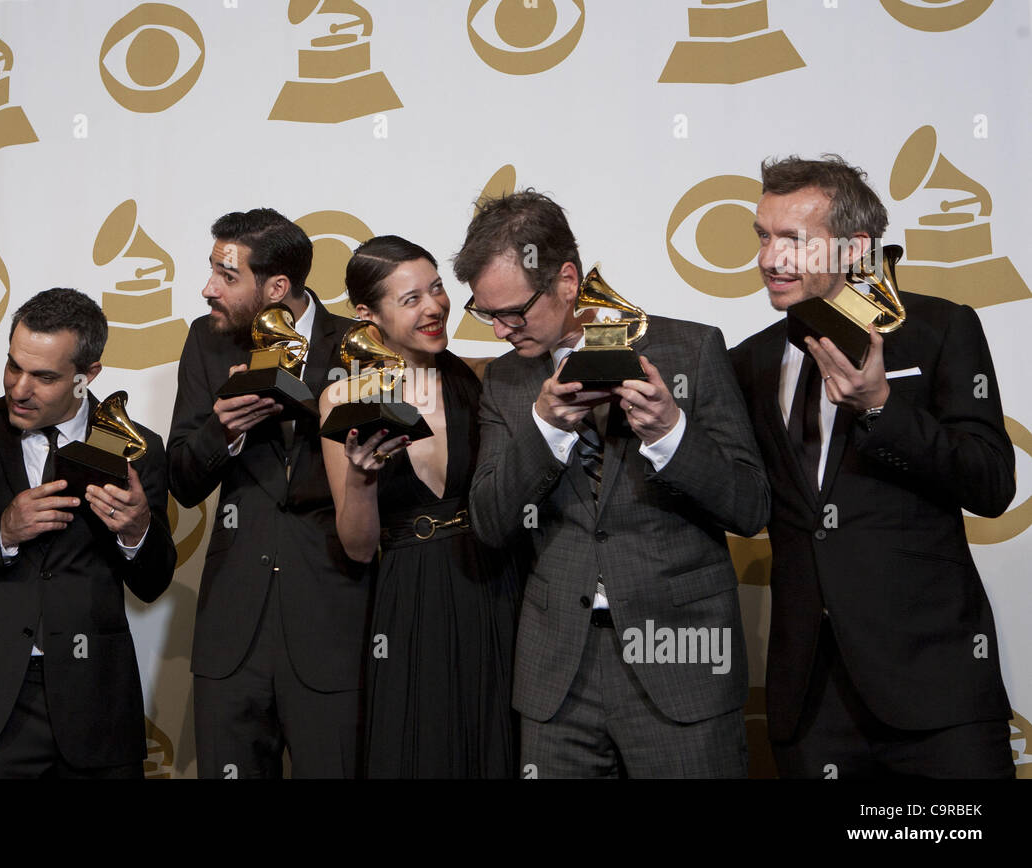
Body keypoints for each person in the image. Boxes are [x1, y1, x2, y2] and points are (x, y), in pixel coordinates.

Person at [458, 190, 768, 778]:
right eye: (485, 313)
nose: (500, 330)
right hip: (559, 674)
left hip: (683, 661)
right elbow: (491, 521)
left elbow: (750, 507)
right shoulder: (506, 381)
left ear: (568, 280)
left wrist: (672, 433)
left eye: (514, 312)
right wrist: (545, 428)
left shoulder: (691, 349)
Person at [730, 155, 1016, 778]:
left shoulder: (940, 329)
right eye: (763, 236)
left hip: (935, 688)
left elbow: (992, 483)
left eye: (794, 240)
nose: (770, 259)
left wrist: (881, 407)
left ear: (855, 249)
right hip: (810, 699)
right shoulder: (746, 363)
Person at [0, 288, 175, 778]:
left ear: (88, 376)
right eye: (13, 366)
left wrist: (136, 531)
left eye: (43, 376)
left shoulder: (138, 448)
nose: (19, 389)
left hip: (95, 707)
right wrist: (3, 533)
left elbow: (153, 582)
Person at [168, 208, 367, 778]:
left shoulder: (358, 343)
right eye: (212, 270)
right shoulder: (206, 342)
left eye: (227, 277)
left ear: (277, 287)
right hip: (233, 631)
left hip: (333, 624)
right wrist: (221, 430)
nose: (208, 289)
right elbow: (183, 480)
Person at [320, 235, 518, 778]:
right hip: (407, 598)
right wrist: (362, 479)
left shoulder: (485, 376)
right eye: (411, 299)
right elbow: (359, 548)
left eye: (437, 289)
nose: (433, 306)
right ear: (368, 315)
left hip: (493, 584)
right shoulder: (344, 400)